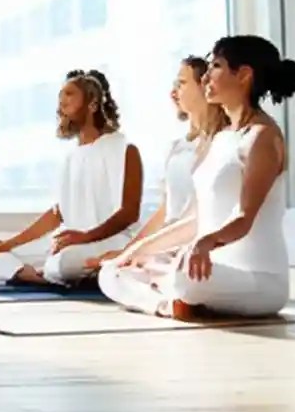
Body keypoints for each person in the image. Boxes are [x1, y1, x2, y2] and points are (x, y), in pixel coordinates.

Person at [98, 36, 295, 320]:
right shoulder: (221, 139)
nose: (206, 76)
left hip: (258, 281)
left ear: (243, 75)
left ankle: (171, 291)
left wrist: (203, 243)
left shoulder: (262, 137)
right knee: (112, 271)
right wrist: (135, 251)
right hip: (207, 271)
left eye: (215, 66)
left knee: (183, 273)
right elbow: (195, 219)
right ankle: (169, 304)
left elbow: (245, 217)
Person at [0, 70, 143, 286]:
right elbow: (58, 213)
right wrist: (8, 245)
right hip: (70, 243)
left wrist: (85, 237)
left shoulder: (123, 148)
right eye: (60, 98)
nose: (61, 105)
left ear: (92, 104)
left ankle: (46, 274)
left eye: (69, 95)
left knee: (65, 262)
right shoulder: (70, 157)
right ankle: (41, 276)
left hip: (108, 241)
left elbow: (129, 213)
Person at [86, 56, 227, 272]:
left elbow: (203, 215)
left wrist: (138, 253)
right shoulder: (177, 147)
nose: (173, 93)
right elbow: (165, 210)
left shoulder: (220, 143)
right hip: (165, 243)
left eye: (181, 83)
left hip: (194, 242)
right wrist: (129, 250)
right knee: (114, 273)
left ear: (203, 86)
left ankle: (168, 287)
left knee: (130, 271)